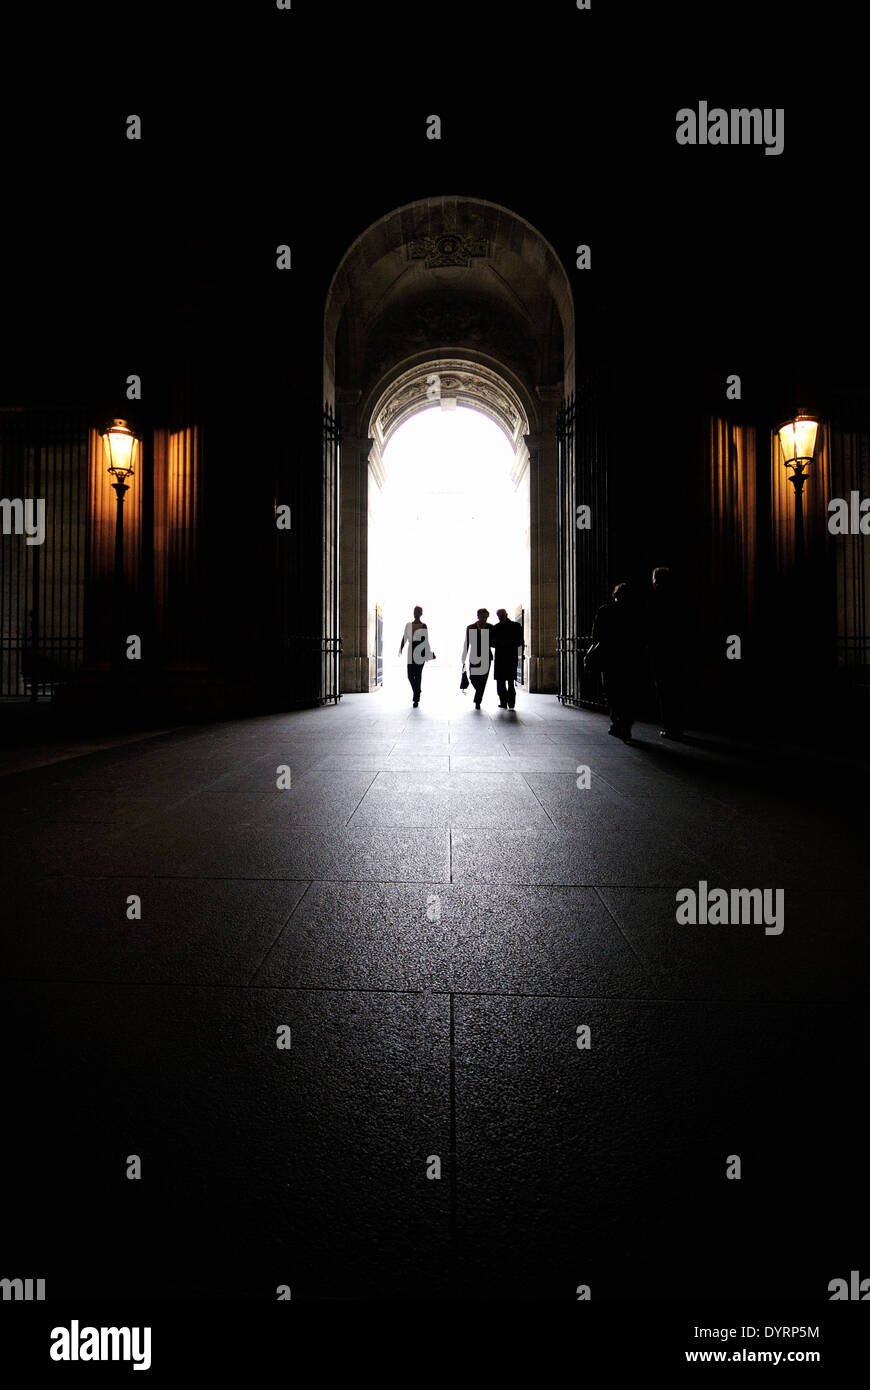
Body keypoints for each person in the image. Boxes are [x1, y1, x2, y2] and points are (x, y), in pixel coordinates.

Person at [589, 581, 644, 741]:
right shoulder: (637, 613)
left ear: (615, 595)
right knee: (629, 691)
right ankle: (625, 722)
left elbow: (596, 635)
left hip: (610, 657)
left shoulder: (606, 610)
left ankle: (617, 722)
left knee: (612, 692)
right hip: (631, 657)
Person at [648, 566, 685, 738]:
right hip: (677, 651)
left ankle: (670, 727)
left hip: (660, 652)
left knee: (664, 691)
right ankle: (677, 726)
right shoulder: (679, 600)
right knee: (676, 690)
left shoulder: (655, 601)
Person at [399, 605, 435, 707]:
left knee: (418, 674)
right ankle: (417, 690)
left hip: (421, 650)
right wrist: (401, 647)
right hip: (411, 650)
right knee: (410, 675)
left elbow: (426, 640)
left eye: (418, 611)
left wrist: (428, 653)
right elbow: (405, 636)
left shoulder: (424, 625)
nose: (416, 613)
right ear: (413, 612)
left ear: (421, 613)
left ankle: (416, 699)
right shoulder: (408, 625)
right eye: (415, 611)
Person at [461, 608, 494, 709]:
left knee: (483, 680)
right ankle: (479, 693)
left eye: (486, 617)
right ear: (478, 616)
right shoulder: (470, 628)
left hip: (486, 656)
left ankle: (477, 701)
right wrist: (463, 656)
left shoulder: (490, 627)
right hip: (474, 656)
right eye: (483, 617)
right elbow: (467, 642)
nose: (485, 619)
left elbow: (494, 642)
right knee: (473, 678)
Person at [491, 608, 524, 709]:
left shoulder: (496, 627)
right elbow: (520, 641)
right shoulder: (516, 626)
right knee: (508, 681)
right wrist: (510, 644)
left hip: (502, 657)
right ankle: (510, 703)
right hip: (510, 656)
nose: (500, 617)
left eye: (501, 615)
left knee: (503, 682)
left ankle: (505, 702)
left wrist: (501, 644)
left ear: (506, 614)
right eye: (499, 615)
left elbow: (492, 643)